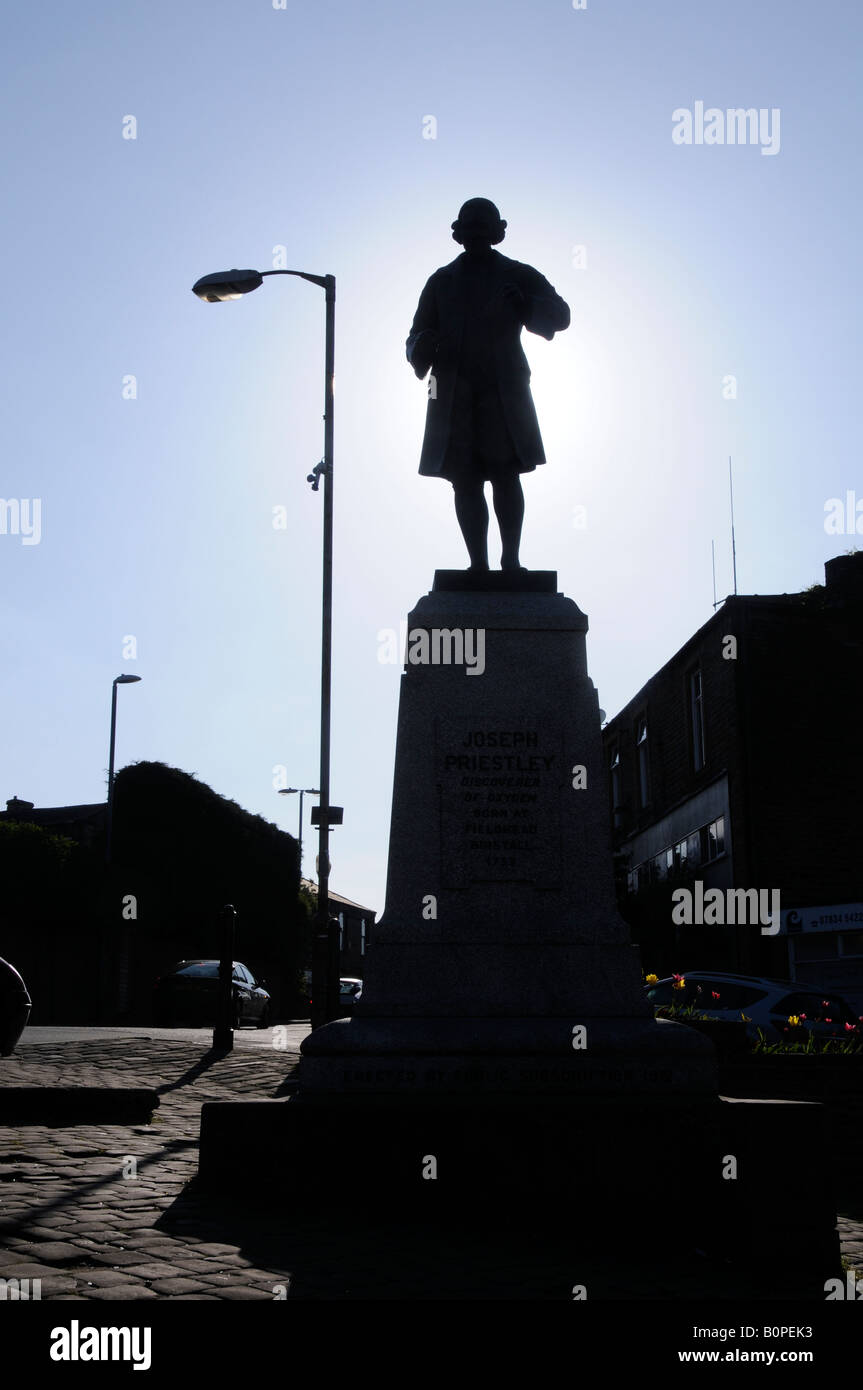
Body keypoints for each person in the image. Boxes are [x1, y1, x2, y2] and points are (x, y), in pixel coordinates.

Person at [406, 198, 570, 571]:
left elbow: (561, 315)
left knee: (505, 473)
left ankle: (510, 560)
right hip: (452, 393)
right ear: (459, 233)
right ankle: (477, 564)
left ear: (498, 232)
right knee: (464, 480)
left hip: (503, 389)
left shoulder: (517, 274)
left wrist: (526, 304)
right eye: (471, 229)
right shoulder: (441, 281)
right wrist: (423, 346)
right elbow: (414, 336)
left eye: (484, 229)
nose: (477, 236)